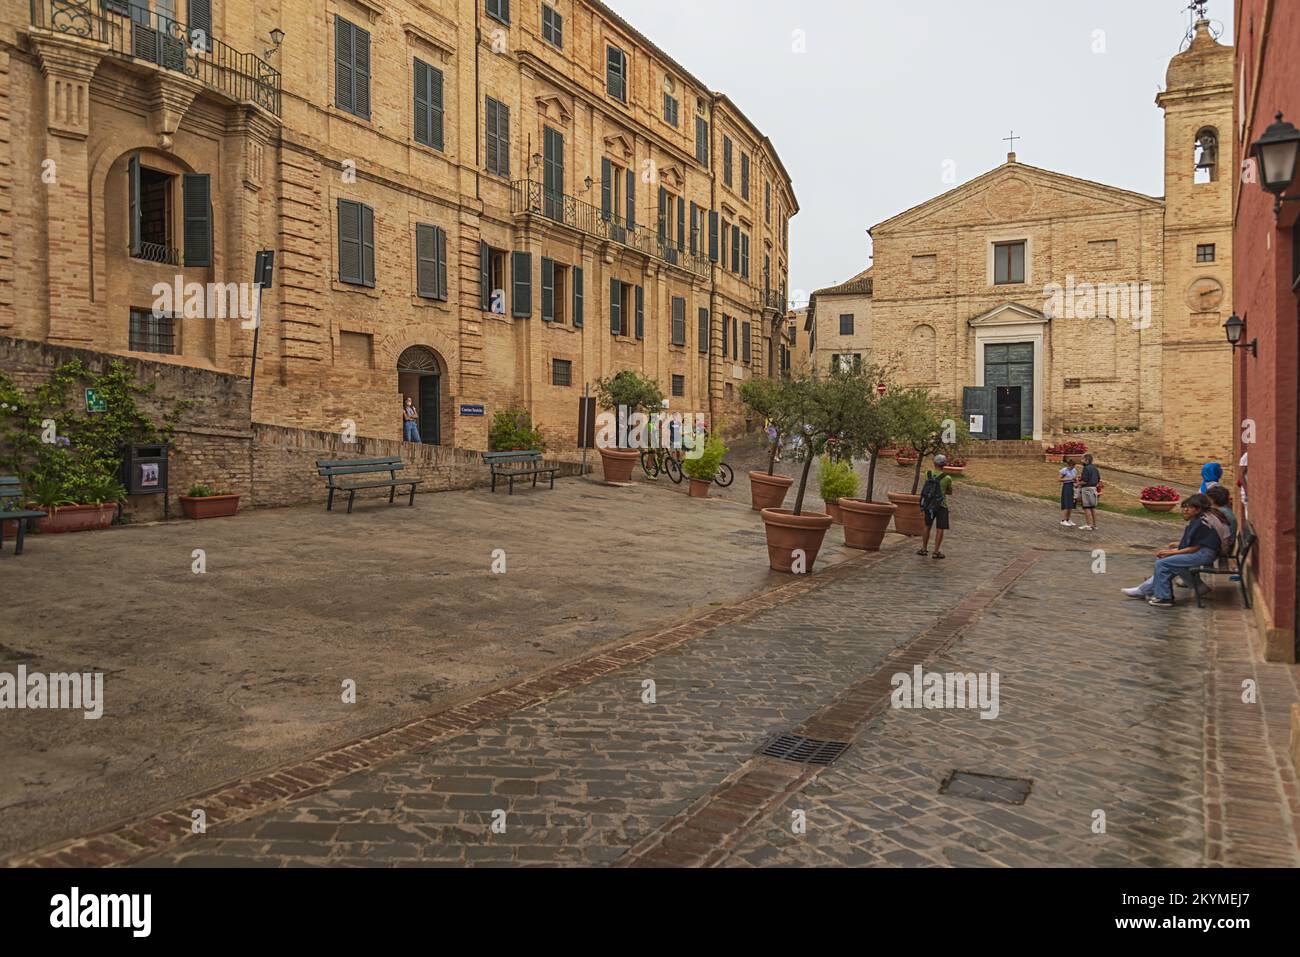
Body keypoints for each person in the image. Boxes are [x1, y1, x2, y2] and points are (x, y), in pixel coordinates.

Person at [1121, 493, 1222, 608]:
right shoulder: (1202, 519)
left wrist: (1172, 552)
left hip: (1204, 554)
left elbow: (1195, 547)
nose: (1184, 510)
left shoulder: (1201, 522)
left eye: (1188, 508)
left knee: (1163, 563)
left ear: (1198, 509)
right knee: (1173, 563)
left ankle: (1164, 597)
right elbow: (1194, 542)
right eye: (1183, 507)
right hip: (1206, 553)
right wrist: (1177, 548)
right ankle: (1199, 587)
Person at [917, 454, 955, 560]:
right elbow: (949, 491)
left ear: (934, 463)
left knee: (927, 526)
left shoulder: (927, 474)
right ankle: (936, 551)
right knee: (940, 528)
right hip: (941, 505)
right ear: (944, 465)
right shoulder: (947, 478)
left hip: (929, 505)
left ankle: (924, 548)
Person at [1077, 454, 1101, 531]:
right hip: (1094, 489)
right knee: (1092, 508)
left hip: (1087, 489)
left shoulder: (1086, 468)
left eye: (1082, 459)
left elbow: (1084, 481)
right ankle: (1094, 525)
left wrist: (1077, 484)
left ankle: (1088, 525)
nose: (1081, 461)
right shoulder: (1095, 468)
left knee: (1086, 507)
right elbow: (1098, 479)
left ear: (1086, 460)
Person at [1059, 457, 1079, 527]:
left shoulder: (1074, 470)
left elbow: (1075, 478)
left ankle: (1068, 519)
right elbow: (1059, 479)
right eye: (1071, 466)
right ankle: (1063, 520)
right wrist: (1070, 478)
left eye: (1073, 466)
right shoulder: (1064, 470)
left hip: (1072, 486)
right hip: (1067, 486)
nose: (1072, 467)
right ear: (1068, 465)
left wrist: (1076, 481)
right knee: (1067, 503)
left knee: (1071, 504)